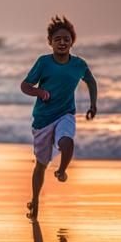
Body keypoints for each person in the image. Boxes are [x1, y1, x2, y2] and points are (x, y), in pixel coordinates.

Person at [21, 16, 98, 220]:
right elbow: (25, 86)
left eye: (66, 39)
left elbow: (91, 82)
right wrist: (40, 93)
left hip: (66, 114)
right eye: (58, 39)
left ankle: (62, 171)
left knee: (67, 141)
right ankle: (35, 200)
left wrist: (93, 104)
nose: (62, 42)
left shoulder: (79, 64)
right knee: (41, 163)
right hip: (43, 119)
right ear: (50, 42)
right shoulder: (44, 63)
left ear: (72, 41)